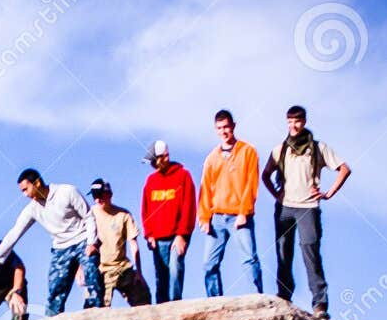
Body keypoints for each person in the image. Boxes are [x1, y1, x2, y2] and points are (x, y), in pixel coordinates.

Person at [263, 105, 351, 318]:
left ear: (304, 121)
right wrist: (277, 195)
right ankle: (284, 295)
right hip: (285, 207)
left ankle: (320, 304)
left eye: (297, 121)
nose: (293, 125)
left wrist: (329, 193)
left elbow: (344, 169)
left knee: (310, 252)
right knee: (283, 252)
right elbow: (265, 175)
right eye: (290, 121)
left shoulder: (318, 148)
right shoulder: (280, 150)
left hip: (308, 208)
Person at [0, 168, 101, 317]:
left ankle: (97, 313)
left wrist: (92, 242)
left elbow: (89, 216)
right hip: (60, 249)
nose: (25, 194)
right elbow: (15, 232)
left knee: (92, 277)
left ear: (37, 183)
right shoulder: (32, 209)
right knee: (56, 291)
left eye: (26, 189)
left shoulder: (67, 192)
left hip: (82, 241)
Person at [198, 110, 263, 298]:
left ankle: (256, 298)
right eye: (219, 128)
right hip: (216, 217)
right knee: (209, 264)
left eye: (226, 126)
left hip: (239, 216)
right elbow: (205, 189)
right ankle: (214, 301)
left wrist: (244, 212)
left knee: (249, 258)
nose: (223, 131)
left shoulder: (247, 151)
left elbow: (251, 184)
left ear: (233, 126)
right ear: (215, 130)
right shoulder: (212, 157)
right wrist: (204, 217)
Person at [140, 140, 197, 302]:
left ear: (165, 156)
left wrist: (182, 235)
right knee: (161, 278)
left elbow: (189, 207)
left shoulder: (183, 176)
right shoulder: (151, 181)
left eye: (154, 161)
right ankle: (162, 310)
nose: (153, 165)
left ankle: (176, 306)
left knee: (175, 270)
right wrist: (149, 235)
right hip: (157, 239)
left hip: (177, 236)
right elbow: (146, 210)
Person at [87, 179, 151, 306]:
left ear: (109, 194)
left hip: (121, 267)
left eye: (100, 195)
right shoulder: (90, 214)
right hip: (100, 270)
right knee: (93, 308)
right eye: (94, 196)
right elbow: (82, 245)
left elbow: (134, 245)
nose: (97, 200)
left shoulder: (123, 215)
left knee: (143, 297)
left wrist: (139, 273)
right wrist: (80, 270)